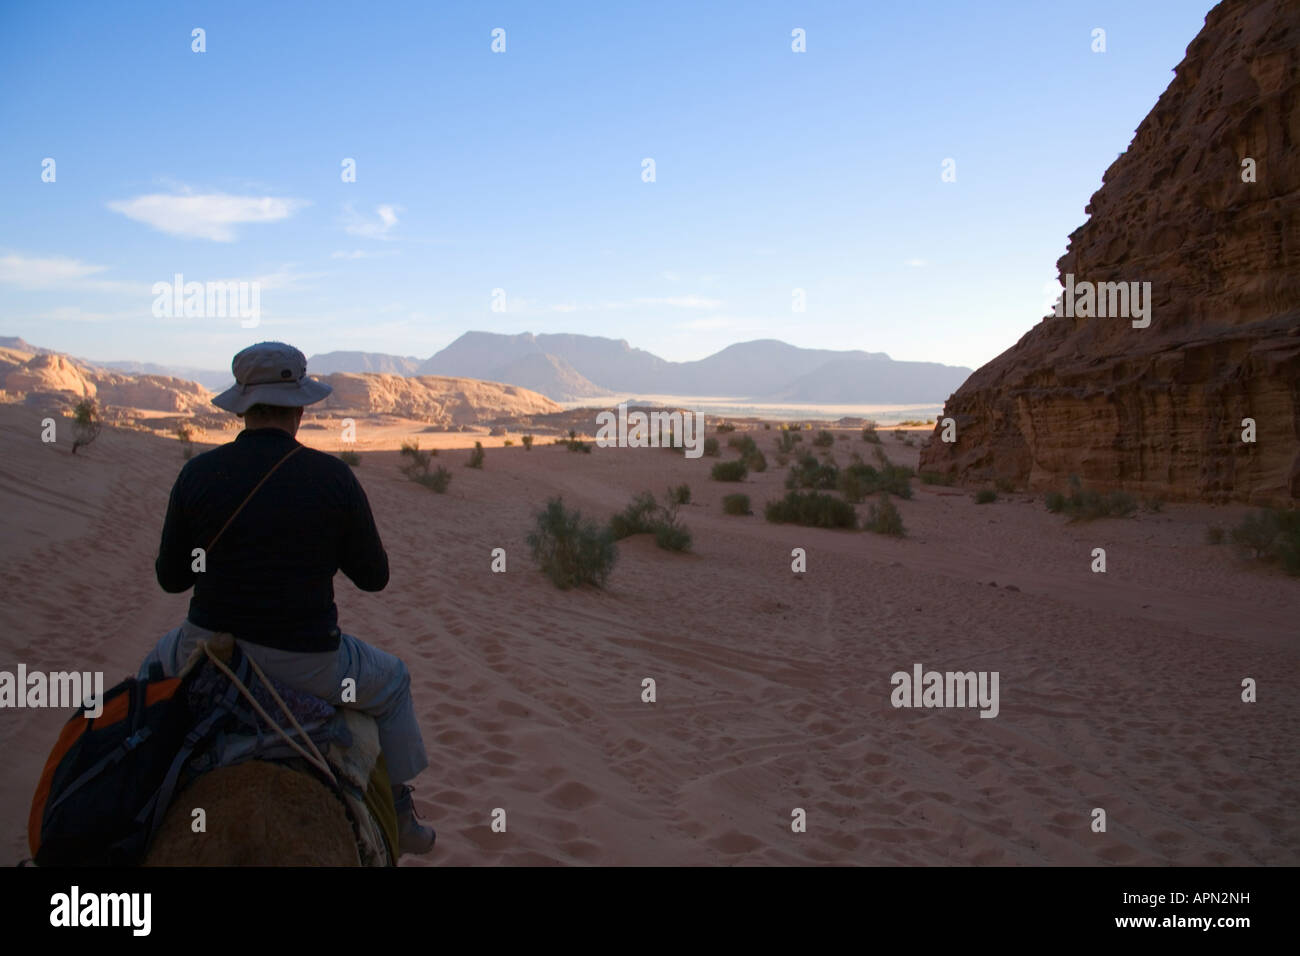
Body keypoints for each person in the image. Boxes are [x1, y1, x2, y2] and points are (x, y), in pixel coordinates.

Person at [140, 341, 435, 857]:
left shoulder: (197, 476)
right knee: (393, 681)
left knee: (141, 690)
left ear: (243, 407)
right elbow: (374, 578)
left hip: (206, 651)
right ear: (300, 407)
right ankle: (402, 813)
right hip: (311, 665)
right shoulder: (332, 478)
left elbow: (171, 580)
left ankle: (125, 793)